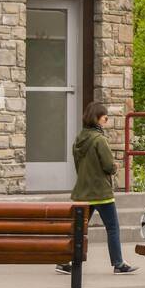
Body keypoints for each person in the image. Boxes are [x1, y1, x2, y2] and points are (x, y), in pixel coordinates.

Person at [56, 102, 138, 275]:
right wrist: (115, 167)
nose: (106, 121)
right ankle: (118, 263)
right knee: (112, 227)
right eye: (105, 118)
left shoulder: (79, 139)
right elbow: (108, 166)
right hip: (101, 192)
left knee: (79, 228)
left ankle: (66, 261)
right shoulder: (99, 140)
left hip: (83, 191)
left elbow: (80, 166)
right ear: (97, 119)